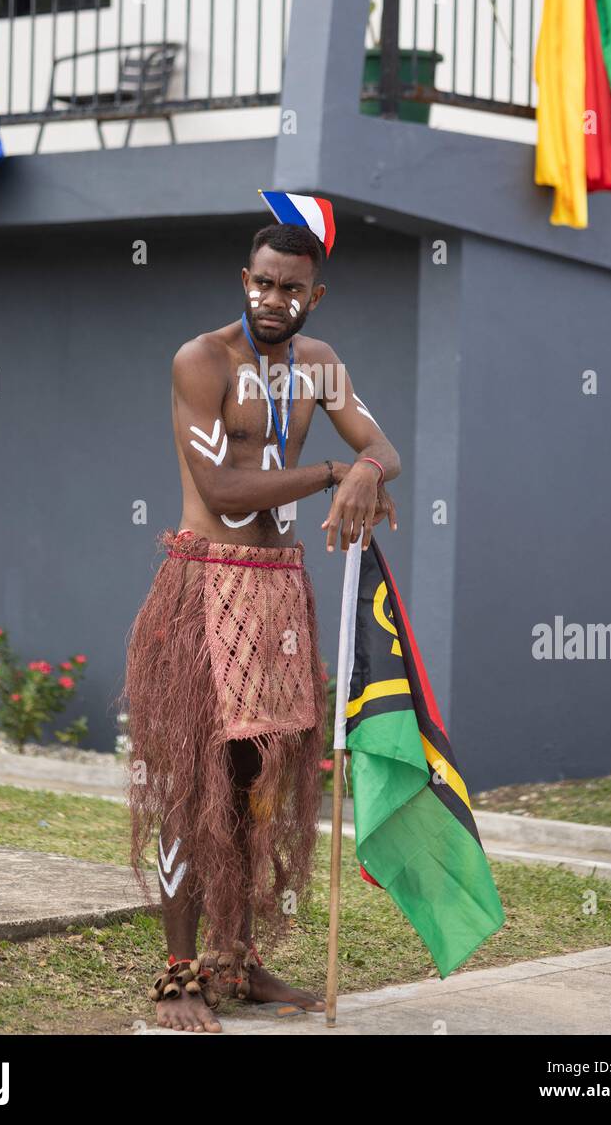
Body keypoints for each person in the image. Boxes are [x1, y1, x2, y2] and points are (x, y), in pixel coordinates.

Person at [125, 219, 401, 1032]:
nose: (272, 299)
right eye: (261, 282)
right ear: (243, 278)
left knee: (255, 789)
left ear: (315, 296)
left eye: (290, 287)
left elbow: (382, 446)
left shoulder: (320, 367)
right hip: (204, 585)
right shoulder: (202, 360)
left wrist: (366, 470)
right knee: (190, 786)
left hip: (279, 593)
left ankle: (236, 960)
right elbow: (222, 489)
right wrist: (332, 473)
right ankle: (180, 973)